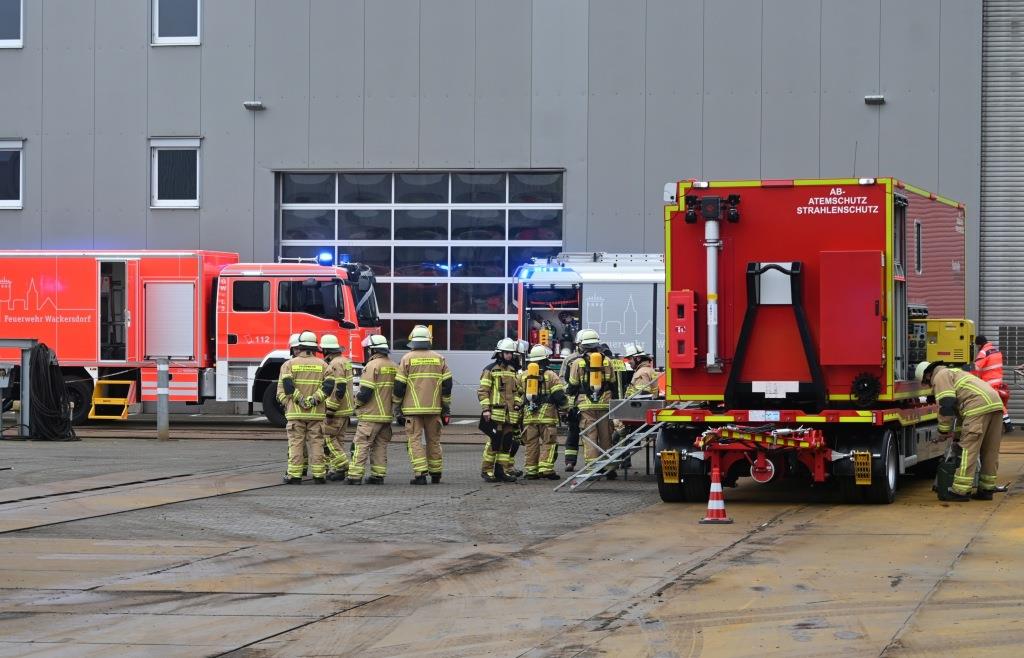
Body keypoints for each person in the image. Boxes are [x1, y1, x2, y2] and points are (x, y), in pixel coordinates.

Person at [917, 361, 1006, 501]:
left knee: (967, 449)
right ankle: (986, 489)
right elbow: (959, 414)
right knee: (990, 450)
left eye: (927, 383)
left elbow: (946, 405)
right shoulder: (956, 373)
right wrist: (957, 436)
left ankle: (960, 491)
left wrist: (943, 431)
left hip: (977, 407)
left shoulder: (940, 375)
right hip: (995, 404)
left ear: (928, 375)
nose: (930, 386)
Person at [394, 325, 453, 485]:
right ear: (429, 340)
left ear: (412, 340)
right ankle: (436, 473)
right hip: (434, 409)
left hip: (412, 410)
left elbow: (399, 387)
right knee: (434, 440)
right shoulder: (439, 358)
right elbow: (447, 385)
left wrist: (396, 407)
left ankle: (420, 474)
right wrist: (445, 407)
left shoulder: (406, 359)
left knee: (414, 440)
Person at [276, 331, 334, 484]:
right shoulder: (324, 365)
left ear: (299, 347)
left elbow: (287, 387)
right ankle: (319, 475)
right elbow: (329, 387)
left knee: (296, 443)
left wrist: (299, 401)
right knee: (317, 444)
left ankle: (295, 476)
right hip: (317, 414)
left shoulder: (289, 365)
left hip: (295, 413)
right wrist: (314, 400)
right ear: (315, 347)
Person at [567, 329, 617, 479]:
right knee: (606, 436)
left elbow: (573, 385)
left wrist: (570, 402)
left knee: (590, 437)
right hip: (605, 404)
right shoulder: (607, 361)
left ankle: (593, 469)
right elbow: (613, 383)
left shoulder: (577, 362)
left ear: (582, 345)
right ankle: (609, 469)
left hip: (586, 406)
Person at [346, 335, 397, 485]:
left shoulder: (372, 366)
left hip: (370, 415)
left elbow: (366, 392)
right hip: (386, 415)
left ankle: (354, 476)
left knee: (361, 445)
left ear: (373, 349)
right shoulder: (394, 366)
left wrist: (356, 404)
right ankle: (378, 475)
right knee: (380, 445)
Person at [520, 345, 568, 479]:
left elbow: (518, 396)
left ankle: (531, 471)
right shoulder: (551, 375)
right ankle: (546, 469)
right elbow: (559, 396)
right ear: (544, 359)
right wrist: (566, 409)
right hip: (547, 417)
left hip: (529, 416)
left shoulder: (523, 376)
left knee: (531, 443)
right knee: (549, 442)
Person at [478, 338, 522, 482]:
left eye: (511, 353)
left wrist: (517, 403)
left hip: (510, 415)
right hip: (496, 414)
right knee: (494, 443)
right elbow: (483, 391)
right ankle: (487, 470)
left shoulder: (512, 370)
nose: (509, 355)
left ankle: (502, 471)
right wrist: (486, 409)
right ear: (500, 353)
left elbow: (517, 392)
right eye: (507, 353)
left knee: (507, 443)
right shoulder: (490, 370)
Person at [320, 334, 353, 481]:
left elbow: (339, 388)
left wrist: (331, 409)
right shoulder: (345, 361)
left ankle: (343, 465)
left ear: (327, 350)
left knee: (328, 438)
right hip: (346, 409)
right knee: (338, 440)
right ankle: (338, 470)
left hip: (337, 410)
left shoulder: (335, 364)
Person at [974, 335, 1012, 432]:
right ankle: (1007, 424)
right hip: (997, 381)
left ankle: (1007, 425)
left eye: (977, 345)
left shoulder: (983, 352)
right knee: (997, 403)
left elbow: (976, 368)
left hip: (988, 383)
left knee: (995, 403)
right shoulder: (996, 351)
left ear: (979, 344)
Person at [560, 332, 583, 471]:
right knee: (573, 432)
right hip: (574, 402)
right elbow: (562, 378)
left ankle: (595, 462)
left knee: (593, 435)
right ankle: (570, 461)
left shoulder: (599, 359)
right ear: (578, 344)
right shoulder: (570, 359)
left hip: (589, 402)